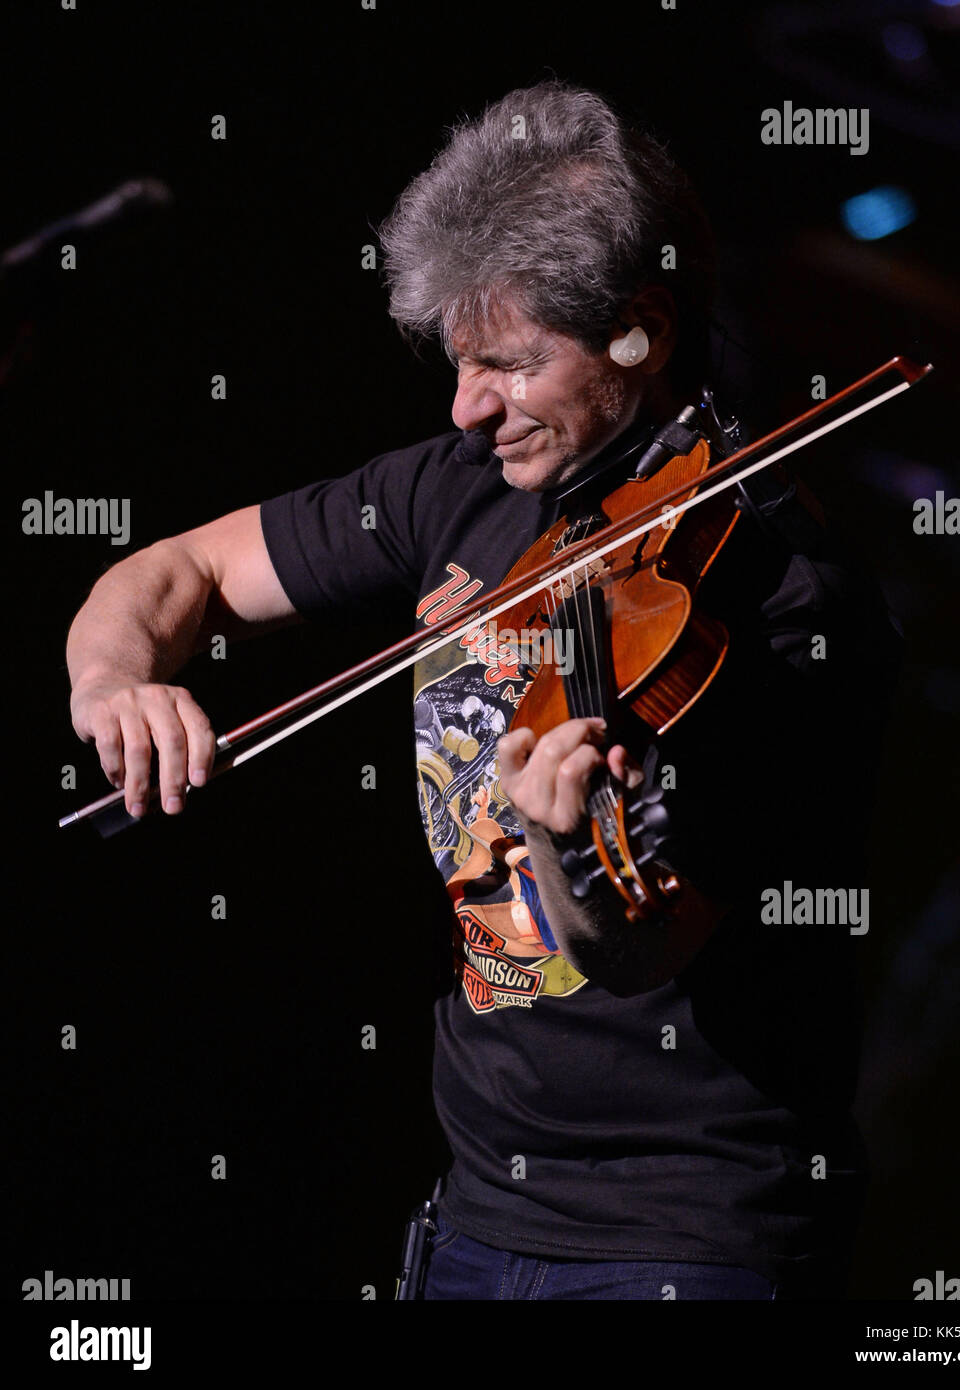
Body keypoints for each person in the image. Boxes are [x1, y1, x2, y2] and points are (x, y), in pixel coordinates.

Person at [66, 82, 901, 1300]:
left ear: (640, 328)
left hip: (688, 1240)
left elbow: (635, 948)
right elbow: (171, 569)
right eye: (458, 363)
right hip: (471, 1213)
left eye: (505, 366)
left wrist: (561, 851)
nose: (464, 410)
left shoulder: (784, 604)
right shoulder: (462, 485)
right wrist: (113, 679)